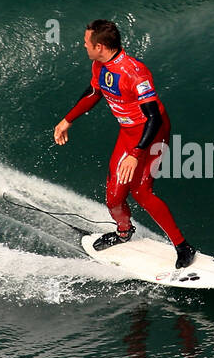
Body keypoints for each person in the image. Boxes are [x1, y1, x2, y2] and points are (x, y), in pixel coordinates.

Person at [53, 19, 196, 268]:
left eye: (86, 42)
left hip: (152, 134)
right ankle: (123, 232)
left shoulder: (134, 72)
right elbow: (93, 93)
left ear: (100, 46)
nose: (83, 45)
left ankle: (183, 247)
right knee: (114, 197)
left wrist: (136, 153)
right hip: (128, 133)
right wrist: (67, 120)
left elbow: (154, 116)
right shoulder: (100, 65)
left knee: (141, 192)